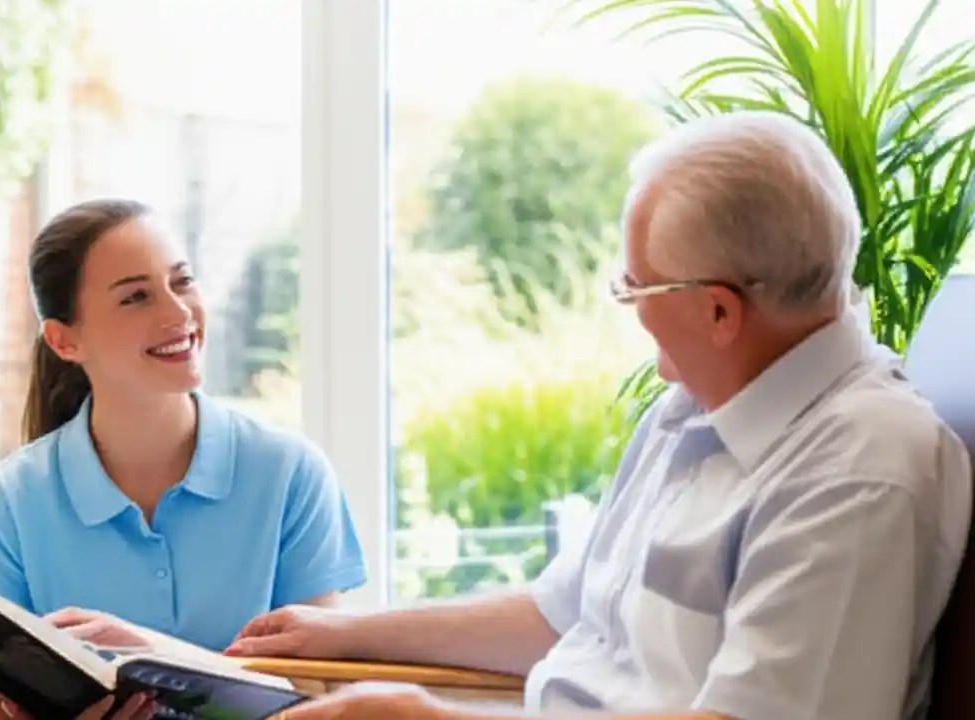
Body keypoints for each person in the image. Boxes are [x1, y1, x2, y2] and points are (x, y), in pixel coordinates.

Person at [223, 111, 973, 720]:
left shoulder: (860, 470)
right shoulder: (694, 411)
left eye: (636, 290)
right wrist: (351, 637)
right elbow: (566, 616)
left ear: (718, 310)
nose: (631, 312)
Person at [0, 199, 367, 719]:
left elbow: (328, 701)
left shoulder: (290, 475)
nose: (179, 312)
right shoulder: (1, 506)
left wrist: (155, 654)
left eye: (182, 282)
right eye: (137, 297)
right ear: (64, 339)